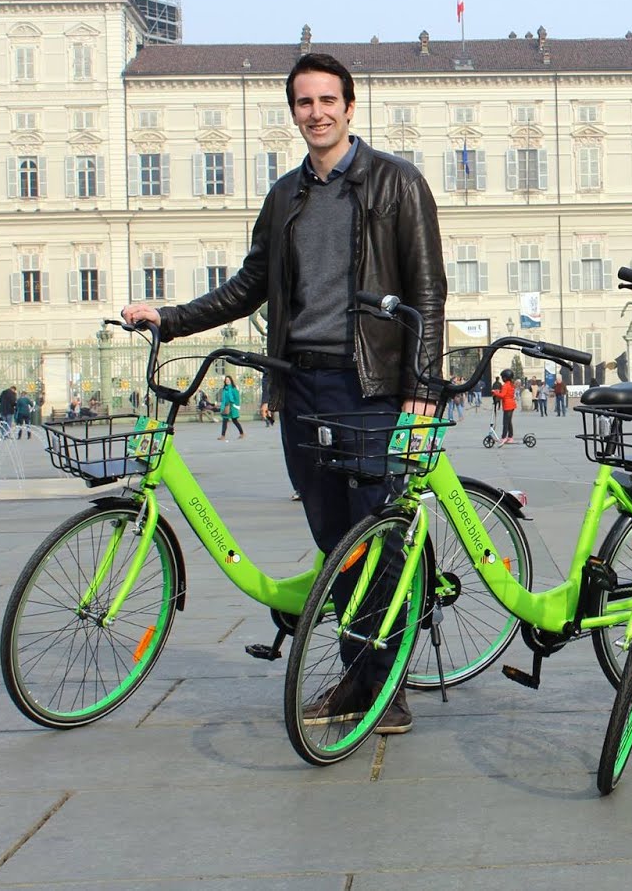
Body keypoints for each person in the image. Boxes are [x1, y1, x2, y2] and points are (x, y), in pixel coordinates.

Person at [119, 52, 445, 736]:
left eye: (328, 100)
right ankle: (362, 677)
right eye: (304, 103)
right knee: (335, 542)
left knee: (374, 541)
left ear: (350, 107)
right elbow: (249, 286)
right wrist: (170, 318)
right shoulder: (285, 197)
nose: (317, 113)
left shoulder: (397, 183)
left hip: (372, 386)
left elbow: (427, 291)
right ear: (292, 111)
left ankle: (385, 688)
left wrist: (422, 385)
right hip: (303, 385)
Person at [217, 374, 245, 440]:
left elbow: (237, 398)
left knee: (235, 420)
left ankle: (242, 433)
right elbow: (223, 399)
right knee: (224, 421)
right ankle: (223, 436)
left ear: (231, 381)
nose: (227, 381)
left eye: (228, 380)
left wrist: (235, 406)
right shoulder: (224, 389)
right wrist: (222, 407)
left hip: (232, 407)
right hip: (226, 407)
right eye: (226, 380)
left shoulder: (234, 389)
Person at [493, 368, 517, 444]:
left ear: (505, 377)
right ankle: (510, 437)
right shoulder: (511, 385)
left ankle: (503, 437)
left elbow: (502, 395)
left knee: (505, 422)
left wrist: (495, 393)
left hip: (507, 405)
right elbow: (506, 393)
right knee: (509, 422)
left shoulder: (505, 385)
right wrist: (499, 391)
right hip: (512, 404)